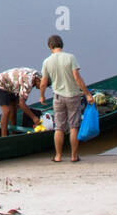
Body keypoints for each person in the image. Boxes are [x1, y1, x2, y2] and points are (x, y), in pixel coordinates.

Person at [40, 35, 94, 163]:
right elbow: (77, 78)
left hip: (58, 97)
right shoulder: (70, 57)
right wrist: (87, 94)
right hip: (73, 96)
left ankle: (58, 156)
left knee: (59, 127)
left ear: (50, 46)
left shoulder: (47, 61)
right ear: (61, 45)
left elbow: (43, 82)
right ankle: (74, 156)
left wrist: (42, 96)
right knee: (74, 126)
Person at [0, 67, 42, 137]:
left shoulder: (35, 76)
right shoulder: (29, 82)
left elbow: (21, 99)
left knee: (14, 109)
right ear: (38, 81)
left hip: (12, 86)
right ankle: (4, 137)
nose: (41, 89)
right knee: (7, 111)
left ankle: (14, 134)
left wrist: (19, 104)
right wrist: (34, 118)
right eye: (42, 86)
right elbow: (22, 104)